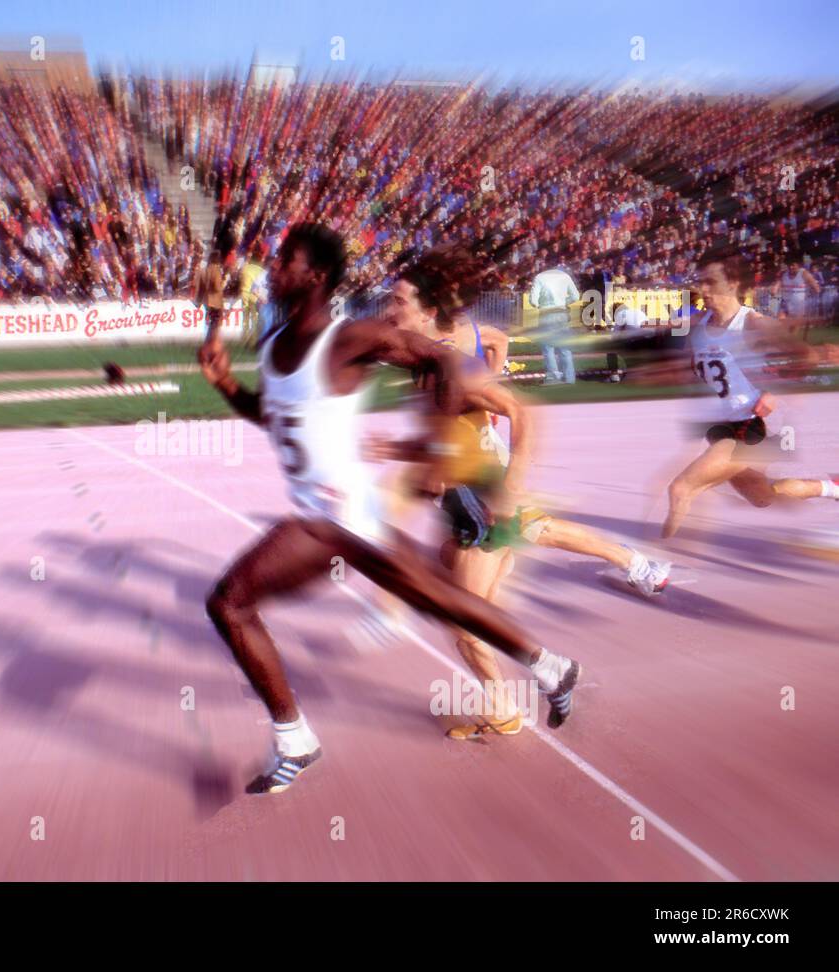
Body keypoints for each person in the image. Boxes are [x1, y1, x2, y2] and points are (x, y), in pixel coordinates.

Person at [198, 224, 582, 794]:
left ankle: (294, 739)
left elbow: (445, 363)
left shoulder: (349, 338)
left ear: (318, 277)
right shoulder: (276, 344)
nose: (273, 270)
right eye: (277, 260)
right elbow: (272, 416)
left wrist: (436, 453)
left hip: (331, 518)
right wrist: (227, 384)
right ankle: (553, 666)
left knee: (229, 603)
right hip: (356, 514)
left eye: (287, 261)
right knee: (440, 597)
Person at [365, 250, 672, 738]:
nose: (387, 311)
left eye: (398, 301)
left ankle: (532, 687)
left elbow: (522, 413)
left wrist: (508, 488)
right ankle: (625, 573)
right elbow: (446, 428)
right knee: (492, 557)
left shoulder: (453, 362)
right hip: (467, 495)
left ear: (425, 312)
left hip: (482, 497)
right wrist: (403, 450)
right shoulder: (426, 363)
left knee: (465, 620)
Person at [663, 250, 838, 539]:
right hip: (725, 426)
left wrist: (774, 391)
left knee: (682, 488)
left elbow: (804, 358)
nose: (703, 289)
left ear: (732, 284)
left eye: (711, 282)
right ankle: (830, 488)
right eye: (701, 282)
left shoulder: (754, 323)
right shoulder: (700, 329)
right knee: (763, 496)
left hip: (756, 426)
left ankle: (652, 563)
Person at [530, 261, 580, 384]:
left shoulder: (539, 277)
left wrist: (540, 305)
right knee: (565, 348)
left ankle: (553, 378)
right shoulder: (565, 276)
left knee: (548, 349)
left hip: (546, 314)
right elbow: (576, 296)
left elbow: (533, 301)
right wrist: (564, 302)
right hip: (561, 313)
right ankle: (570, 379)